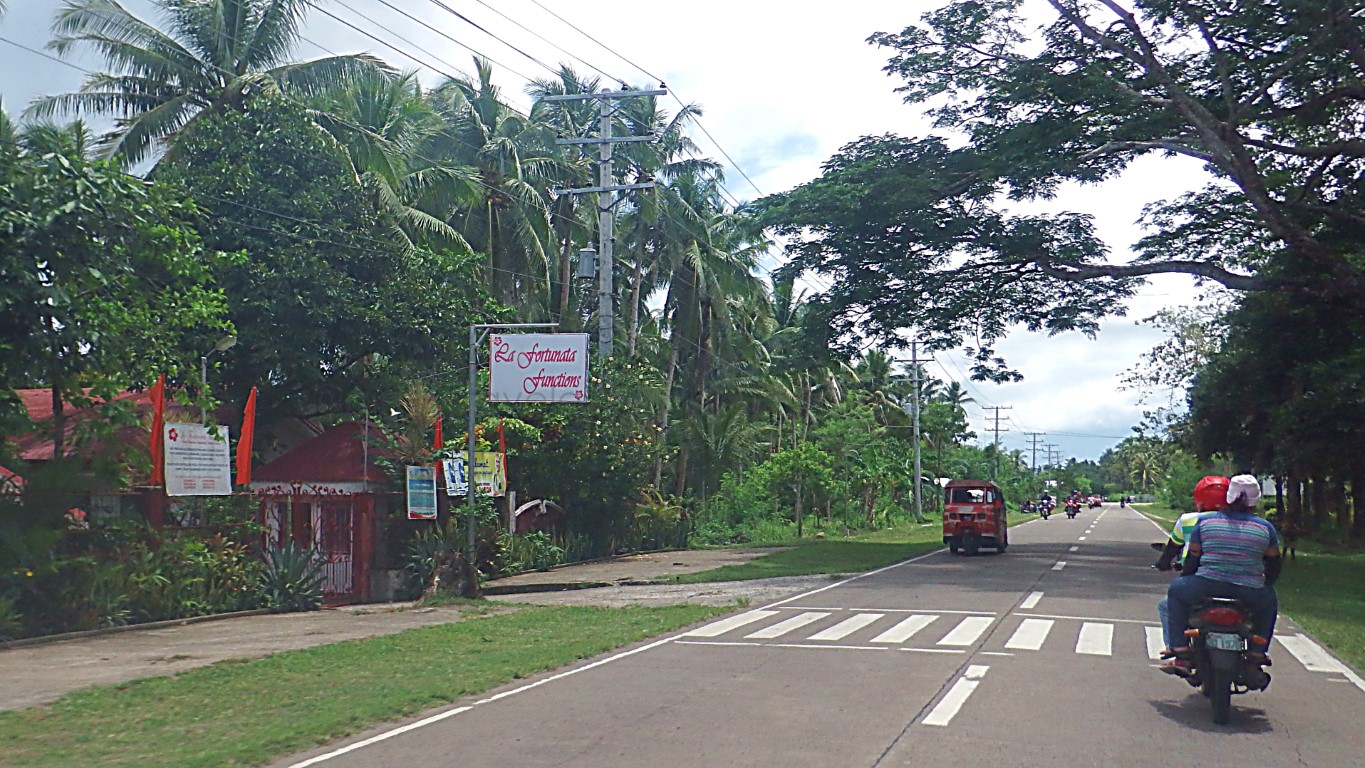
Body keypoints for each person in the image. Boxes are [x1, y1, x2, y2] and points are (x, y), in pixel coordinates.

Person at [1160, 475, 1282, 686]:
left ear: (1229, 496)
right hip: (1249, 588)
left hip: (1207, 583)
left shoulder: (1206, 522)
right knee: (1269, 603)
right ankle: (1255, 658)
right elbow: (1273, 563)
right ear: (1256, 500)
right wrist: (1265, 584)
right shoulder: (1265, 528)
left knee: (1176, 592)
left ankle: (1181, 652)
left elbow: (1193, 558)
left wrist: (1188, 578)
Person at [1153, 476, 1228, 656]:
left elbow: (1173, 547)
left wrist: (1163, 563)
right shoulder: (1242, 521)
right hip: (1240, 581)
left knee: (1168, 605)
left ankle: (1178, 649)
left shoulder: (1188, 520)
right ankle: (1255, 652)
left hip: (1198, 578)